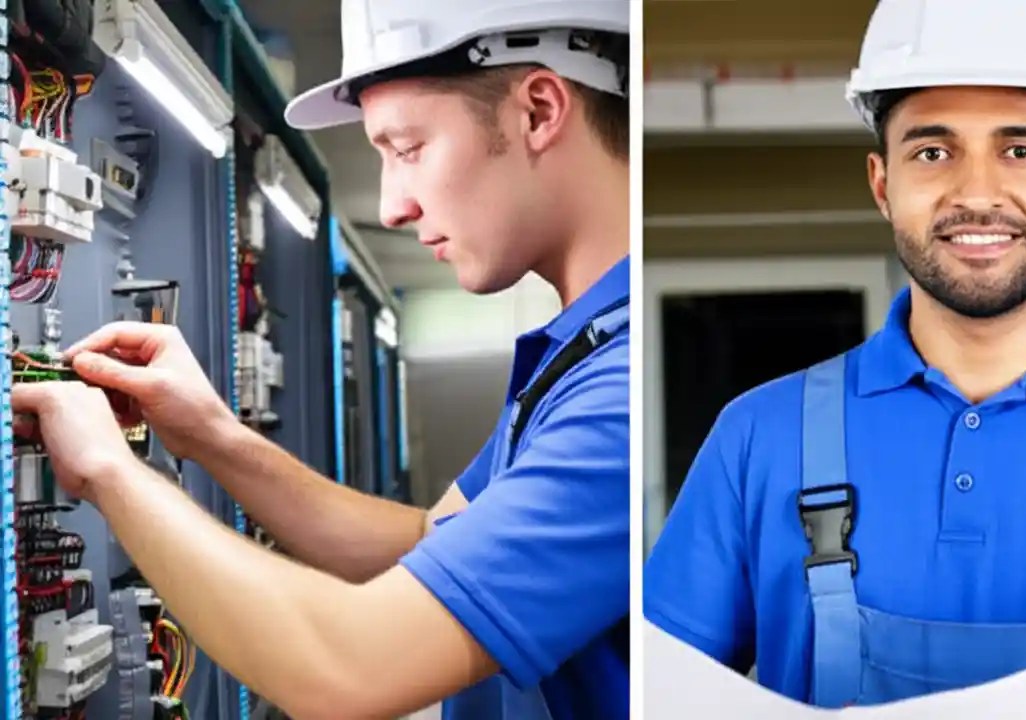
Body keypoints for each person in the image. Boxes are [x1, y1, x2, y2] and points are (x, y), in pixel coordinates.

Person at [643, 0, 1026, 717]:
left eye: (1020, 149)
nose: (976, 195)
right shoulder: (755, 441)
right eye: (933, 151)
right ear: (883, 183)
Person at [12, 1, 631, 719]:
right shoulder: (572, 359)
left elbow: (351, 667)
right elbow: (424, 542)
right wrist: (213, 435)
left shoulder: (614, 393)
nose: (394, 204)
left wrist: (109, 472)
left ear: (539, 110)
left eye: (407, 147)